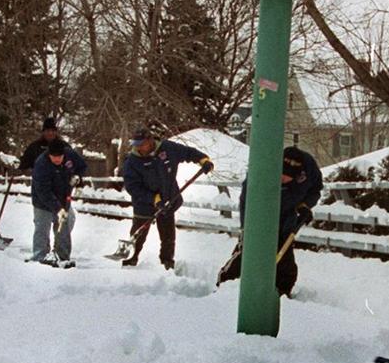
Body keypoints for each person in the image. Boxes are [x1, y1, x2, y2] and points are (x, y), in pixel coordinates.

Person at [217, 145, 322, 296]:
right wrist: (246, 228)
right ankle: (225, 286)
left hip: (287, 219)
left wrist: (305, 205)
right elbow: (246, 202)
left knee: (285, 264)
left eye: (286, 177)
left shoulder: (309, 168)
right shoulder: (262, 170)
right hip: (260, 217)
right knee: (248, 255)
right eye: (280, 175)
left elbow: (316, 190)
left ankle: (281, 295)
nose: (282, 179)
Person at [120, 127, 213, 269]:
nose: (139, 148)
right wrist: (154, 199)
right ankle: (131, 258)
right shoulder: (132, 162)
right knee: (139, 233)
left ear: (150, 140)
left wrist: (203, 160)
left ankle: (167, 262)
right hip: (144, 203)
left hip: (168, 198)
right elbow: (133, 188)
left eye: (142, 144)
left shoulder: (168, 148)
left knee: (168, 235)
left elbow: (188, 152)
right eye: (136, 145)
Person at [30, 138, 87, 267]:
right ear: (48, 154)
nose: (56, 159)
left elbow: (82, 166)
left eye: (59, 157)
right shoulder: (41, 165)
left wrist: (77, 177)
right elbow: (43, 192)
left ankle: (63, 256)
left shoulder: (70, 155)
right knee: (42, 228)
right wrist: (58, 209)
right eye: (53, 157)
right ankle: (40, 257)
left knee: (64, 226)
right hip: (42, 202)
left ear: (64, 154)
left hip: (63, 196)